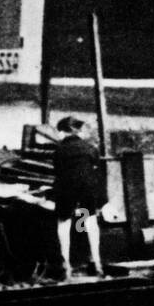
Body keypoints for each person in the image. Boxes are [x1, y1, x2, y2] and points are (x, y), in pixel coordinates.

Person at [53, 116, 105, 279]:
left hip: (67, 189)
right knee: (89, 220)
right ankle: (96, 262)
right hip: (87, 189)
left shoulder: (59, 150)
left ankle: (66, 265)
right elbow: (95, 167)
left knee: (64, 222)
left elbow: (58, 171)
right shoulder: (90, 147)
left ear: (63, 132)